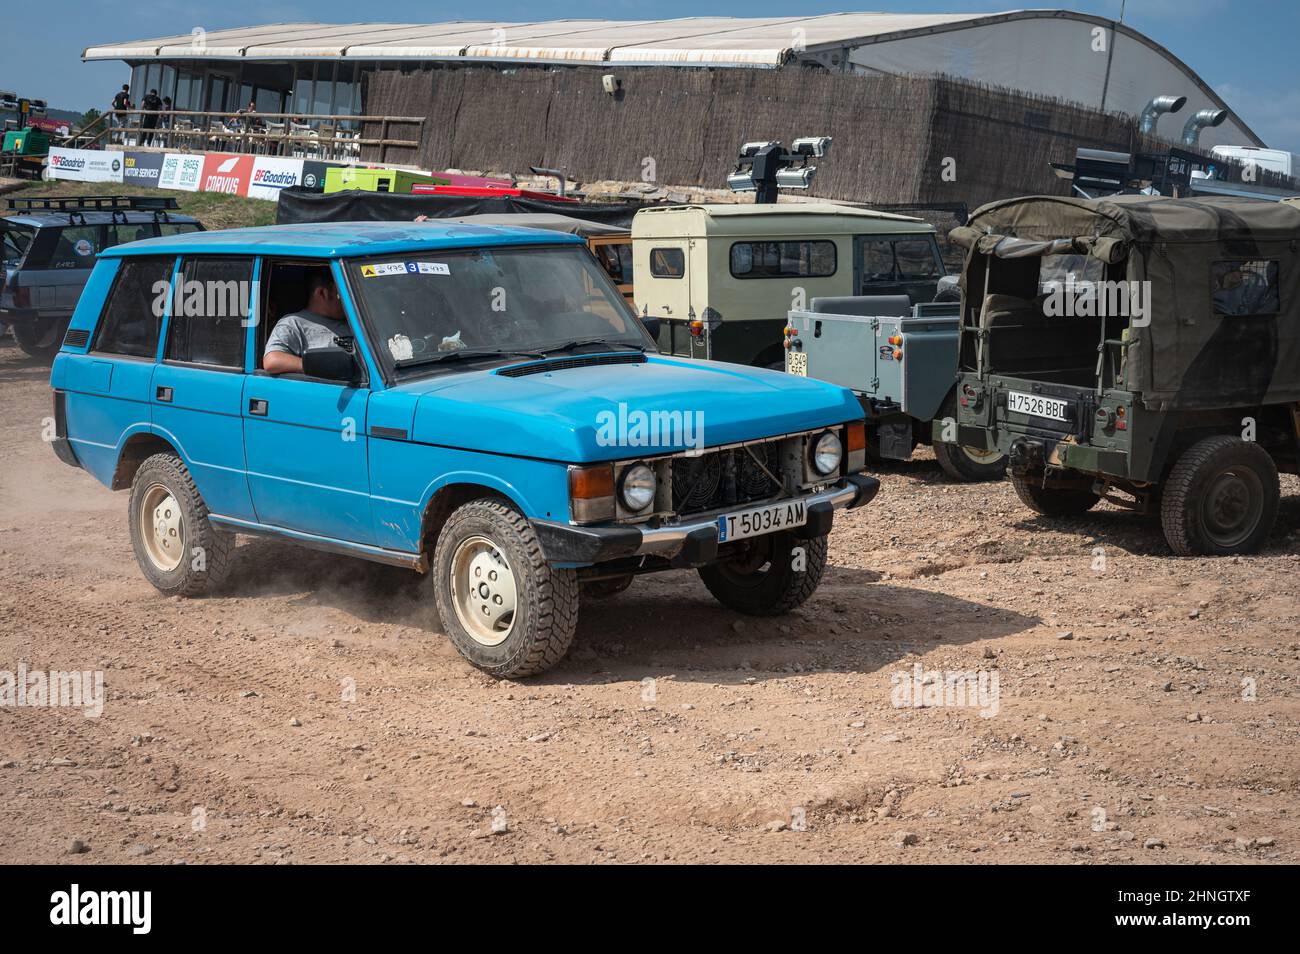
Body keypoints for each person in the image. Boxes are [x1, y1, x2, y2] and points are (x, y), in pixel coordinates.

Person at [263, 271, 350, 375]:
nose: (348, 302)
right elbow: (272, 360)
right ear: (322, 293)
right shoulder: (293, 324)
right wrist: (322, 367)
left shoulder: (357, 322)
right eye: (342, 295)